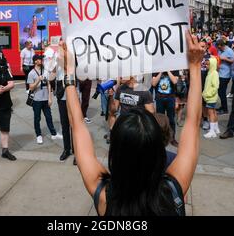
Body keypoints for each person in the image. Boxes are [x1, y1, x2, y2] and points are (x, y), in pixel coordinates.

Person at [62, 31, 204, 216]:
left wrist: (69, 72)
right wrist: (195, 65)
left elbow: (77, 125)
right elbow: (193, 122)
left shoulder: (105, 197)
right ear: (158, 151)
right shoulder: (173, 190)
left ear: (116, 152)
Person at [27, 55, 63, 145]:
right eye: (39, 59)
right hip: (36, 100)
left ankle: (53, 133)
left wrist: (50, 98)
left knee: (49, 117)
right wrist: (38, 80)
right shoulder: (31, 73)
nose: (41, 60)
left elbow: (48, 84)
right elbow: (31, 87)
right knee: (37, 118)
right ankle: (38, 135)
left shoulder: (45, 71)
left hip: (45, 99)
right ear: (35, 61)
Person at [152, 71, 179, 146]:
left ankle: (172, 139)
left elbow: (175, 81)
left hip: (170, 99)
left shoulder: (175, 70)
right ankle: (160, 138)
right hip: (159, 99)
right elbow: (153, 83)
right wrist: (160, 72)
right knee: (159, 119)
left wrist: (168, 71)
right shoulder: (157, 70)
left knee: (171, 120)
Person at [202, 56, 220, 139]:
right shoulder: (211, 72)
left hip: (211, 97)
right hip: (210, 97)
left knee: (210, 113)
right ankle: (216, 128)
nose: (207, 66)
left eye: (208, 65)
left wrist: (207, 94)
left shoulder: (214, 73)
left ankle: (212, 131)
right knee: (213, 111)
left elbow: (215, 87)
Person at [217, 40, 234, 115]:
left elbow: (233, 61)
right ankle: (222, 106)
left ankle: (225, 109)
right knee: (219, 91)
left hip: (226, 74)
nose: (218, 49)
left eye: (219, 47)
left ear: (222, 45)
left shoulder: (229, 51)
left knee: (222, 91)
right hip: (220, 73)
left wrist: (225, 59)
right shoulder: (220, 50)